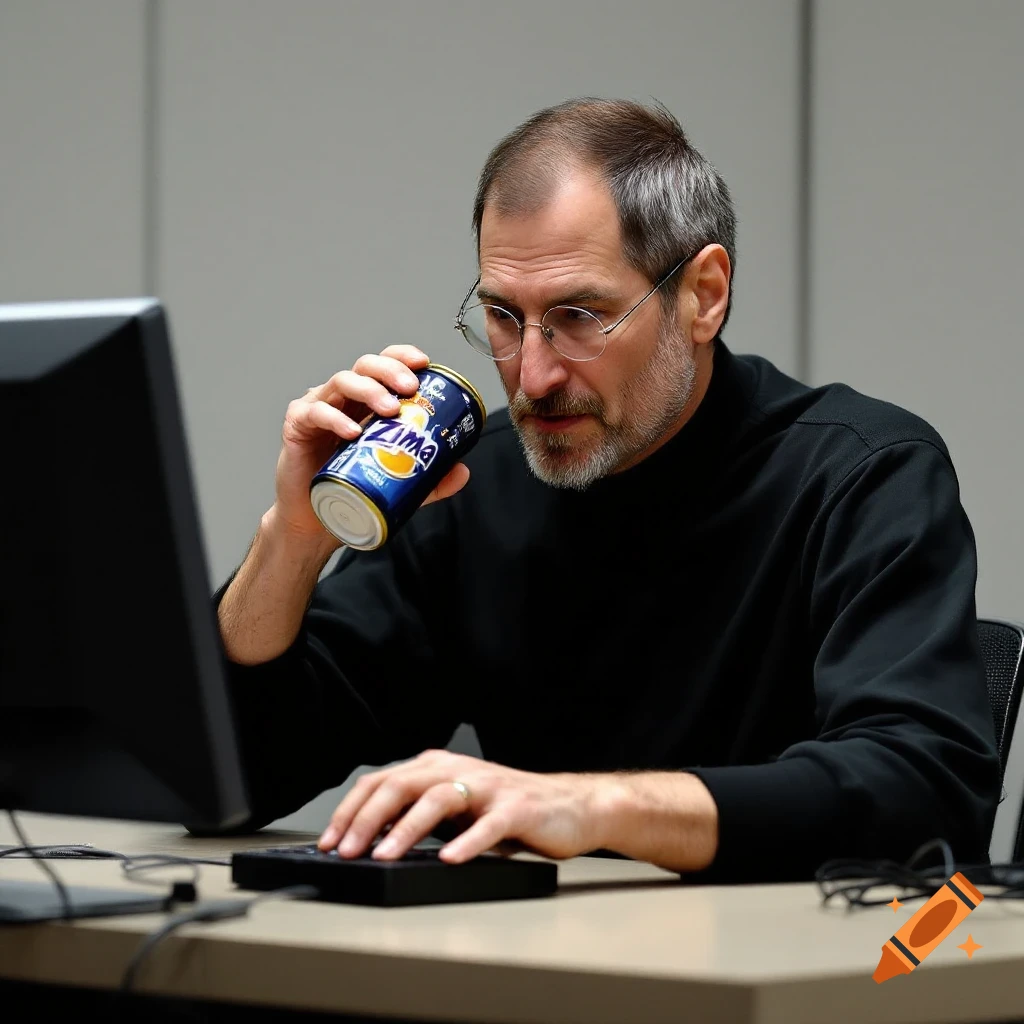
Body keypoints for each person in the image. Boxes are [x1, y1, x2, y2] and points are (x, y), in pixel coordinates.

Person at [215, 98, 1000, 883]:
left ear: (704, 295)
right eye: (502, 315)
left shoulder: (859, 473)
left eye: (580, 317)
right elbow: (231, 781)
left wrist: (590, 809)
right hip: (539, 973)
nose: (532, 375)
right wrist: (293, 536)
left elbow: (925, 792)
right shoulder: (474, 483)